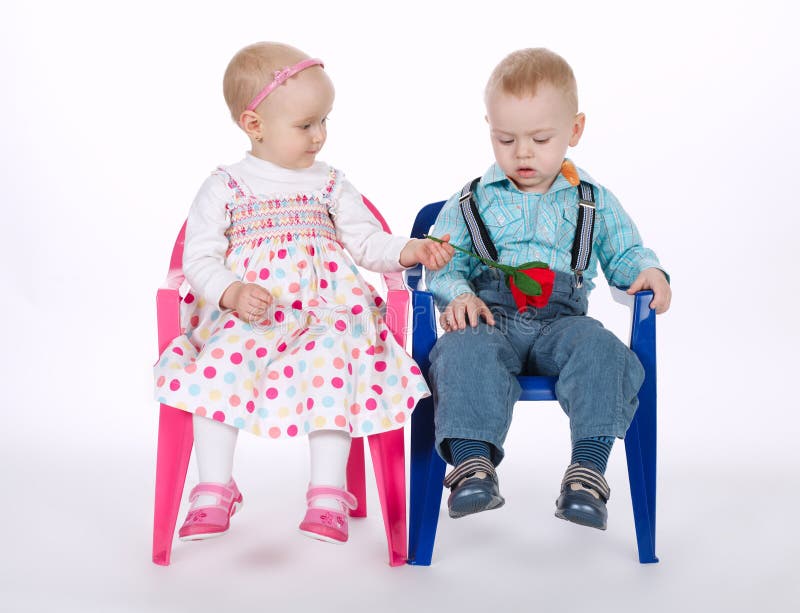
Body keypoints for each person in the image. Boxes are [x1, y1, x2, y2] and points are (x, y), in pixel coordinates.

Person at [154, 41, 453, 545]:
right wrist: (230, 292)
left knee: (333, 361)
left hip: (328, 315)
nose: (319, 136)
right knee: (217, 365)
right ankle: (212, 487)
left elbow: (365, 242)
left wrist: (410, 250)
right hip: (250, 317)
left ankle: (328, 493)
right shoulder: (225, 186)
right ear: (254, 125)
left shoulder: (330, 184)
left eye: (324, 122)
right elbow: (197, 259)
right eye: (305, 125)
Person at [425, 47, 671, 530]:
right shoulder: (472, 199)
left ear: (574, 130)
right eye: (505, 138)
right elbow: (441, 261)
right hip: (489, 319)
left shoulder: (590, 201)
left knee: (604, 351)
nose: (522, 153)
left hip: (563, 323)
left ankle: (587, 472)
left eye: (540, 138)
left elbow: (625, 253)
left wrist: (650, 273)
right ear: (489, 128)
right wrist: (458, 293)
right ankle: (473, 465)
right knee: (460, 352)